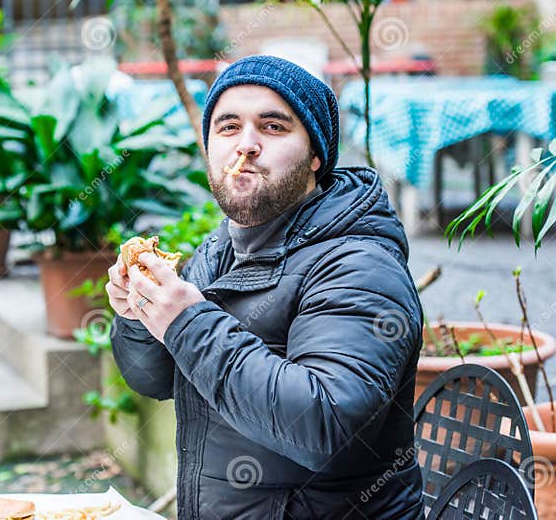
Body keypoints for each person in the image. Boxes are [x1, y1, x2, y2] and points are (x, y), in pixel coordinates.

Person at [105, 55, 424, 519]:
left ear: (316, 156)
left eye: (273, 127)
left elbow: (325, 426)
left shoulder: (360, 266)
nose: (246, 145)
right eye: (228, 127)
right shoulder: (219, 249)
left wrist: (187, 323)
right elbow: (152, 378)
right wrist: (140, 315)